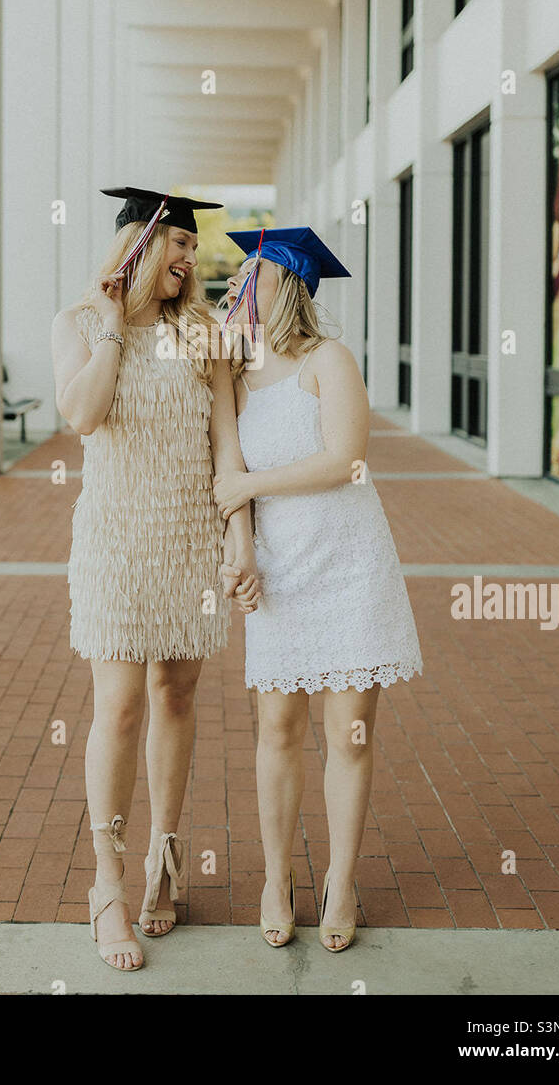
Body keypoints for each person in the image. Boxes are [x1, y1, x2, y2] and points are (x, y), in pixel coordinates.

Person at [51, 187, 260, 972]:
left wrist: (240, 541)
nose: (186, 259)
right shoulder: (75, 325)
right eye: (174, 243)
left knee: (177, 694)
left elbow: (227, 448)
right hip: (113, 544)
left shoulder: (202, 334)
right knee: (120, 704)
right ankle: (107, 881)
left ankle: (162, 862)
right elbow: (82, 416)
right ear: (135, 246)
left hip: (190, 545)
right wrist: (112, 329)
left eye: (190, 248)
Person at [213, 226, 423, 951]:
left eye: (253, 273)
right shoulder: (231, 372)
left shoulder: (329, 359)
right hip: (279, 569)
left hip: (349, 564)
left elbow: (346, 459)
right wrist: (239, 547)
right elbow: (223, 477)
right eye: (237, 274)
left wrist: (247, 483)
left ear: (289, 285)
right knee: (276, 728)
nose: (239, 283)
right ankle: (278, 878)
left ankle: (341, 878)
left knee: (348, 736)